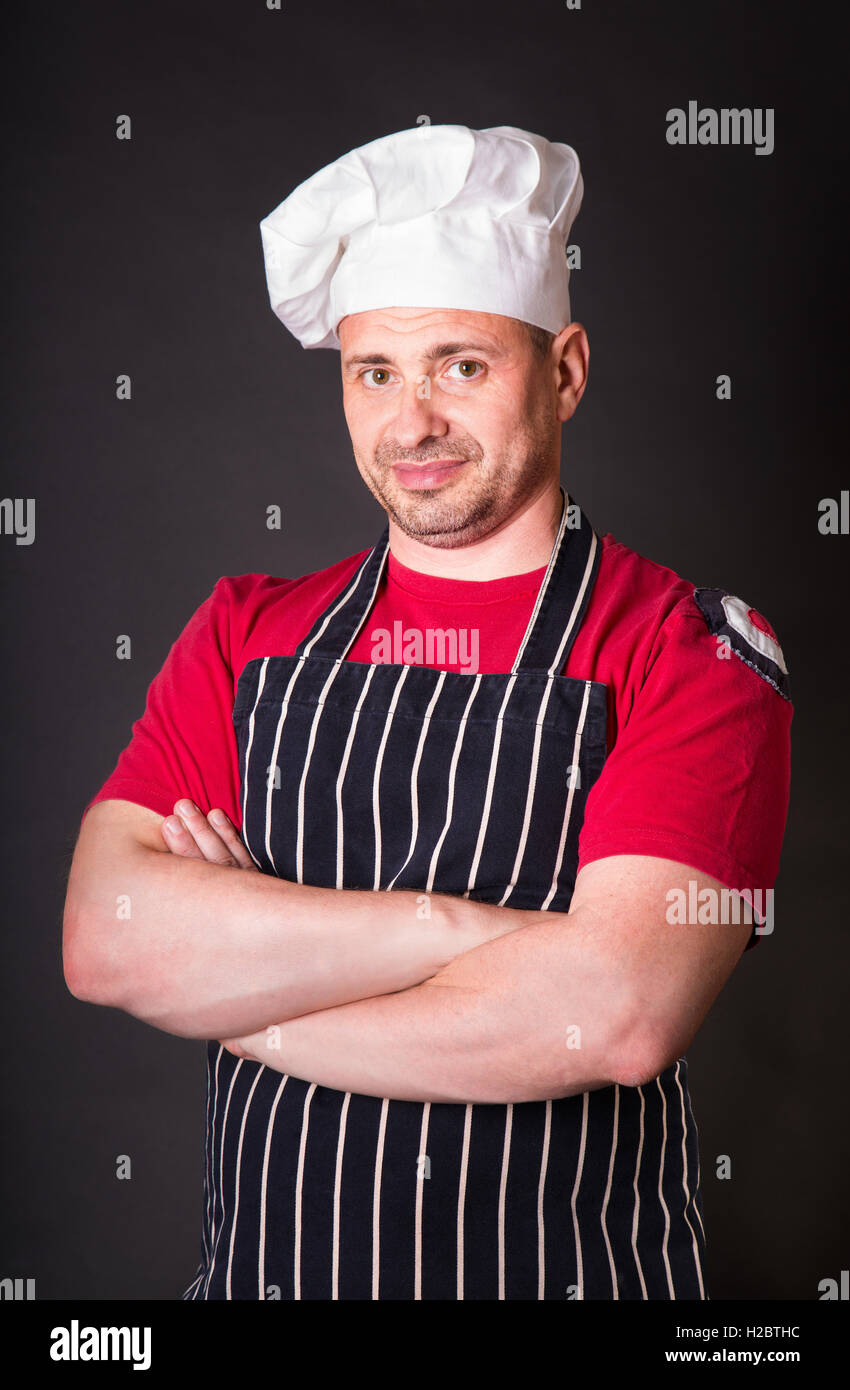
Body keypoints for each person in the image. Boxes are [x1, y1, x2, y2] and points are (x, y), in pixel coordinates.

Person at [62, 124, 792, 1301]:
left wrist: (246, 1002)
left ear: (563, 370)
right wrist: (455, 931)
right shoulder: (249, 629)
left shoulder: (688, 646)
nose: (412, 424)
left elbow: (615, 1014)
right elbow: (107, 935)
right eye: (376, 373)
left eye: (461, 364)